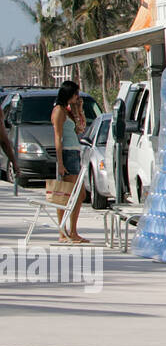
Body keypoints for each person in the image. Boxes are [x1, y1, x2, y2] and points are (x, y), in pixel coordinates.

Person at [50, 81, 89, 243]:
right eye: (75, 94)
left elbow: (81, 129)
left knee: (79, 194)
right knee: (65, 194)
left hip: (74, 151)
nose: (77, 97)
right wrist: (60, 162)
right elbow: (58, 137)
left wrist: (78, 109)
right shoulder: (58, 111)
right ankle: (63, 231)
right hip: (67, 153)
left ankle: (72, 230)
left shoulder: (67, 111)